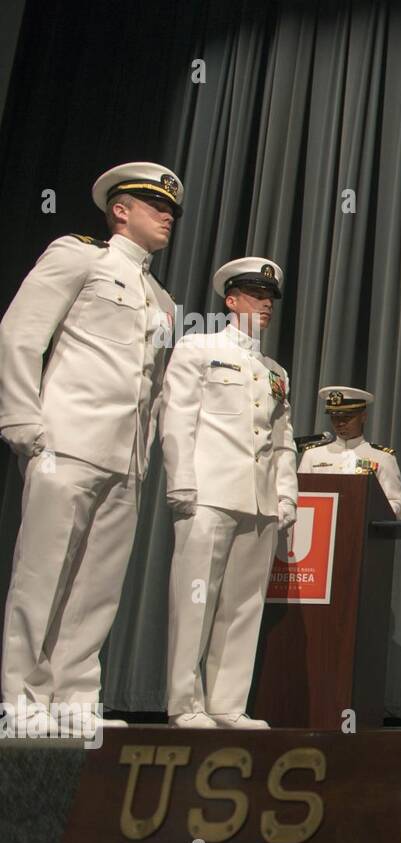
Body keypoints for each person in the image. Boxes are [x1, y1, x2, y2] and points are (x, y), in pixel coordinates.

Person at [0, 162, 182, 739]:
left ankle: (73, 695)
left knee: (98, 585)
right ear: (119, 210)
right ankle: (19, 695)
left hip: (124, 456)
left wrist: (144, 455)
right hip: (67, 440)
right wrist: (23, 422)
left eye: (172, 209)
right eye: (155, 205)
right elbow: (20, 333)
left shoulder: (163, 301)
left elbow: (150, 387)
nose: (168, 215)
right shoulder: (80, 257)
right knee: (43, 573)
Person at [159, 257, 298, 729]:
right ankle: (184, 702)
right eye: (256, 296)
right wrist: (180, 480)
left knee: (244, 604)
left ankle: (227, 704)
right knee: (196, 599)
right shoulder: (199, 347)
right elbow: (177, 416)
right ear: (231, 299)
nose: (265, 305)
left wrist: (286, 496)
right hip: (209, 492)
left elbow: (282, 441)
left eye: (270, 299)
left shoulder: (275, 371)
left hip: (258, 500)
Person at [299, 386, 401, 519]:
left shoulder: (382, 457)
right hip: (319, 527)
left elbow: (398, 504)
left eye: (348, 417)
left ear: (363, 417)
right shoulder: (313, 455)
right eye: (335, 417)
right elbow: (300, 497)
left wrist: (367, 512)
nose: (340, 423)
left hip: (361, 531)